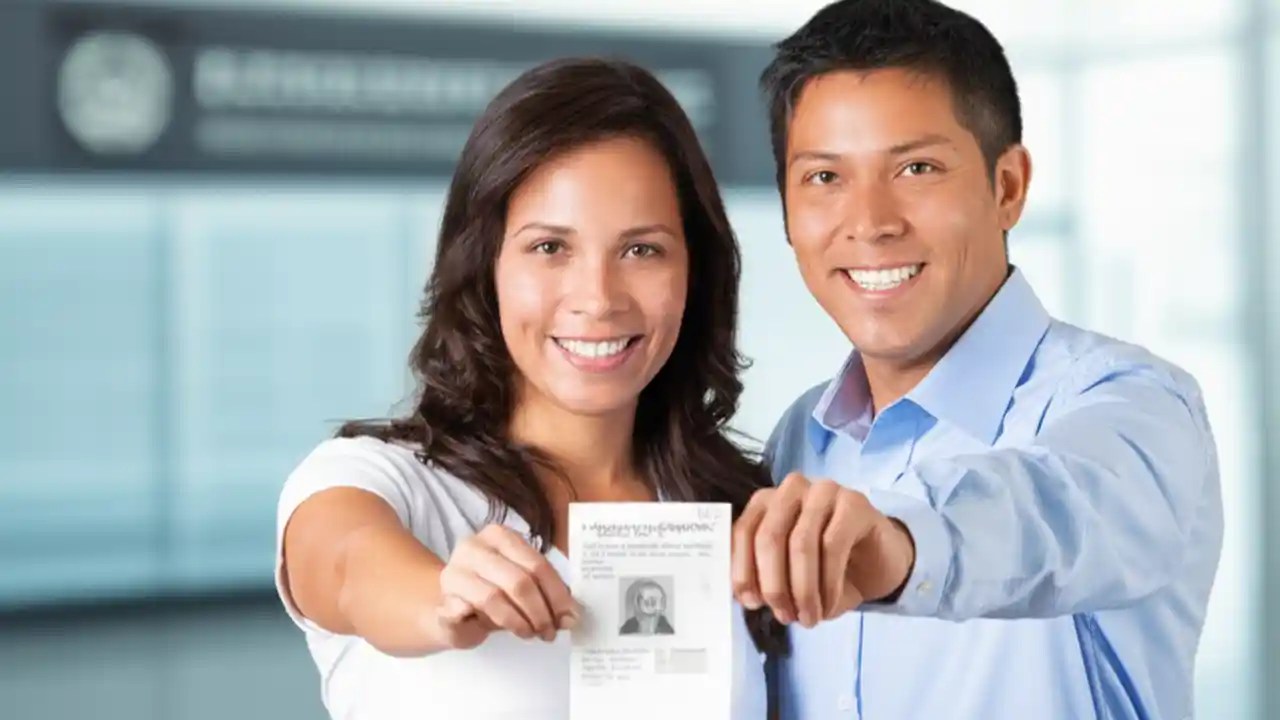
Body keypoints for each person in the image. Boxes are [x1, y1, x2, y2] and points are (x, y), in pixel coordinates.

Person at [728, 1, 1223, 719]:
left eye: (917, 167)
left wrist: (898, 544)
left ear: (1008, 187)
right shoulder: (801, 437)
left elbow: (1051, 508)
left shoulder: (1137, 404)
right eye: (824, 178)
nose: (870, 223)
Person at [274, 57, 784, 719]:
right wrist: (440, 599)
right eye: (550, 248)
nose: (597, 299)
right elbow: (345, 567)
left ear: (696, 270)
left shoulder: (746, 516)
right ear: (486, 264)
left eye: (642, 250)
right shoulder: (383, 481)